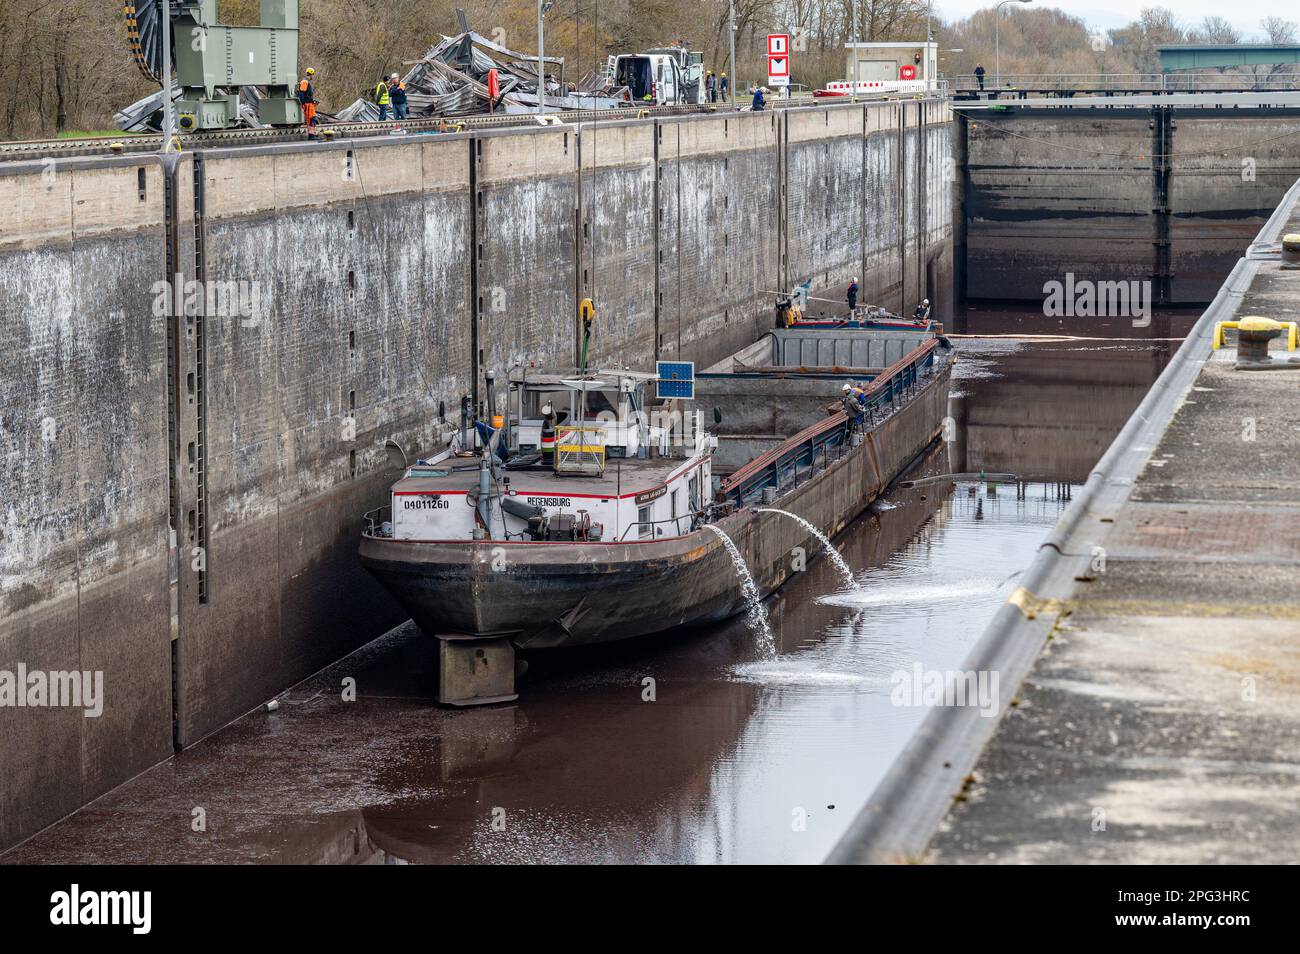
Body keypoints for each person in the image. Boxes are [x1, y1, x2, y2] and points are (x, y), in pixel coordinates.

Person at [298, 67, 318, 136]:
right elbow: (302, 94)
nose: (313, 76)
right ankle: (311, 135)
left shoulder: (307, 82)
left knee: (312, 119)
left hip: (309, 104)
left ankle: (312, 133)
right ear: (311, 74)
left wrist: (312, 100)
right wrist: (303, 104)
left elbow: (306, 94)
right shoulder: (305, 82)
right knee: (311, 119)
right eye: (313, 75)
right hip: (307, 105)